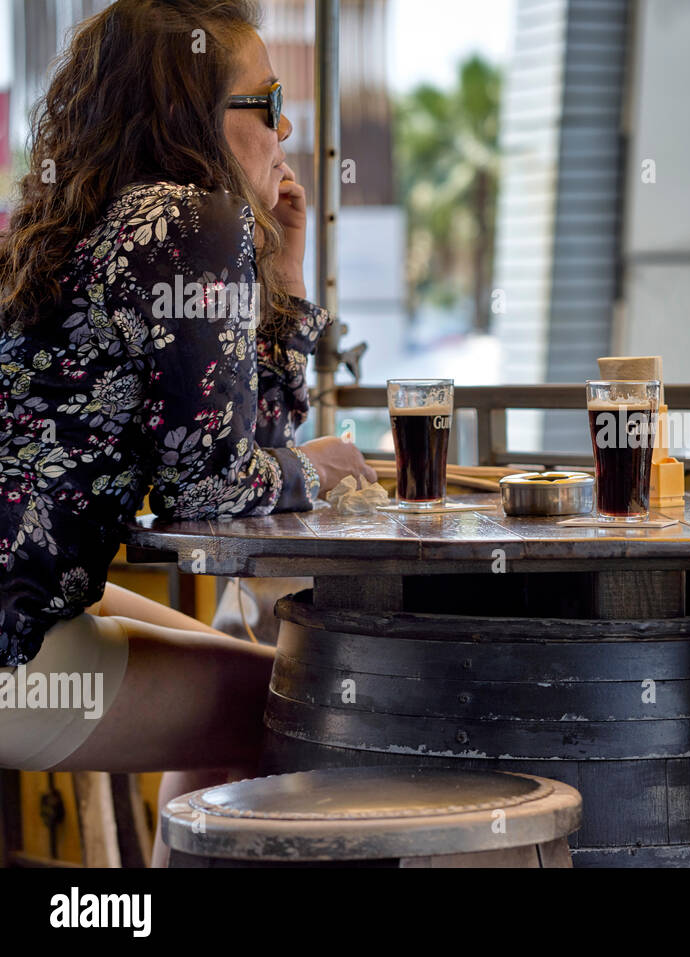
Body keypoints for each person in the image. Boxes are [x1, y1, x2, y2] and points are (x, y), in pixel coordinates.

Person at [0, 0, 376, 865]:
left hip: (36, 597)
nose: (286, 128)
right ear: (189, 115)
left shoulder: (76, 217)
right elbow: (209, 486)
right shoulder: (188, 220)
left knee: (265, 678)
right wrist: (312, 470)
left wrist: (282, 270)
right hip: (19, 638)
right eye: (266, 101)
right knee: (292, 704)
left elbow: (241, 438)